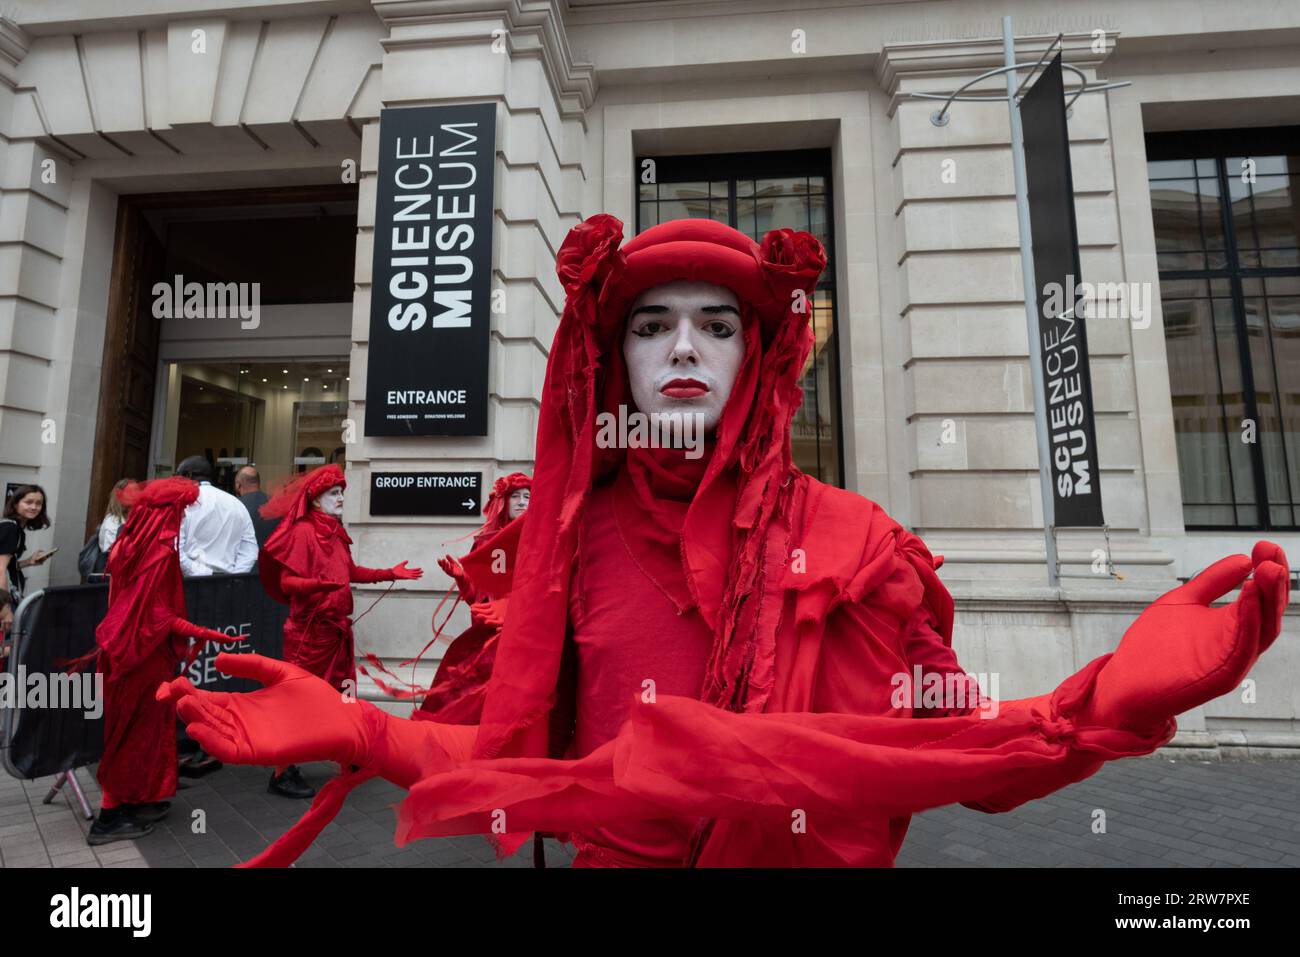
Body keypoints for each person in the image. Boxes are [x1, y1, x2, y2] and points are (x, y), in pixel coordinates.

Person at [161, 216, 1291, 868]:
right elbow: (520, 776)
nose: (683, 348)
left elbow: (942, 755)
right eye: (651, 325)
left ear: (760, 355)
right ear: (612, 362)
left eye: (717, 324)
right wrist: (366, 732)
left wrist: (1103, 707)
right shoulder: (560, 547)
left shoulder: (853, 542)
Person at [255, 463, 424, 799]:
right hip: (308, 636)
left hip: (335, 635)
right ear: (316, 499)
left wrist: (389, 572)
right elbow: (288, 582)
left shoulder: (335, 531)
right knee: (300, 702)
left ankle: (349, 755)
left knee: (344, 697)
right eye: (334, 493)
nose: (341, 498)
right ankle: (282, 771)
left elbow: (351, 572)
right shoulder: (303, 532)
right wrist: (316, 585)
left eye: (342, 493)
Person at [87, 478, 238, 845]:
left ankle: (142, 798)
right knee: (133, 733)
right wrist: (203, 632)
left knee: (141, 729)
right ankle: (109, 818)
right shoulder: (157, 552)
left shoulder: (130, 544)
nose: (185, 517)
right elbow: (156, 614)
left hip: (132, 655)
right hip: (140, 658)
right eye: (183, 510)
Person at [417, 472, 531, 724]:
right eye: (516, 496)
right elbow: (478, 602)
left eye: (527, 497)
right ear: (503, 501)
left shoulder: (539, 542)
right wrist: (463, 579)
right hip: (488, 640)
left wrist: (513, 607)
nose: (523, 502)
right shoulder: (485, 543)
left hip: (525, 639)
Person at [175, 455, 258, 577]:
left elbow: (175, 548)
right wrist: (233, 577)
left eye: (177, 476)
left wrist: (201, 573)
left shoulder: (183, 503)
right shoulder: (236, 504)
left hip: (190, 583)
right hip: (226, 585)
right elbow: (249, 550)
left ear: (188, 475)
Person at [0, 485, 54, 646]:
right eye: (28, 502)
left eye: (39, 503)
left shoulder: (13, 527)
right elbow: (0, 569)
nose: (34, 507)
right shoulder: (11, 529)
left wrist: (29, 561)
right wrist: (5, 609)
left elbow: (7, 566)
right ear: (16, 503)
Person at [234, 465, 280, 547]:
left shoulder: (235, 505)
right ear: (258, 483)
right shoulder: (276, 504)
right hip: (270, 557)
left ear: (238, 485)